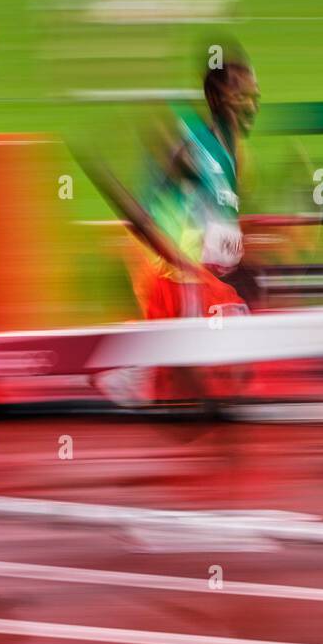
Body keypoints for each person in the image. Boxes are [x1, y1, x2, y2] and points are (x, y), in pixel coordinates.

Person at [80, 45, 259, 407]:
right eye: (241, 97)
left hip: (207, 280)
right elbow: (147, 218)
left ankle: (146, 363)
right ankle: (139, 361)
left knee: (224, 383)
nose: (251, 106)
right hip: (181, 279)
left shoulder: (234, 156)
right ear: (216, 98)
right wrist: (102, 174)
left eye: (255, 97)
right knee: (207, 393)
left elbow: (224, 224)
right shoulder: (191, 151)